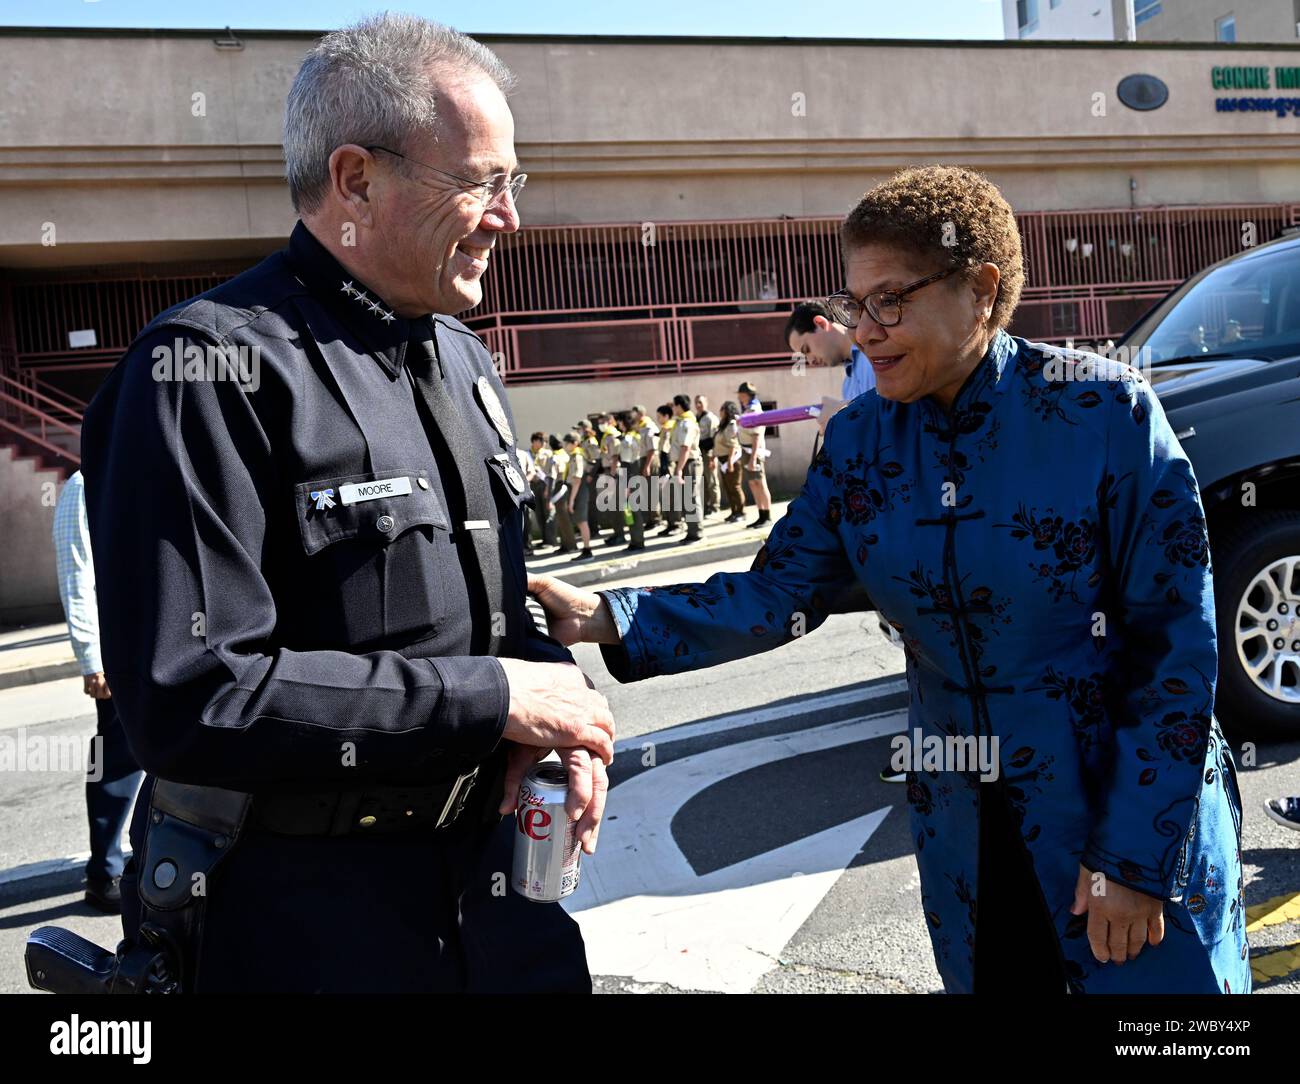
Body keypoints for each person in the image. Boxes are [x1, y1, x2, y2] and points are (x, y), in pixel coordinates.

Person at [528, 165, 1249, 996]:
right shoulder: (862, 444)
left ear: (980, 290)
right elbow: (776, 595)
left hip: (1115, 821)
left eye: (891, 300)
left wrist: (1132, 857)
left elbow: (1176, 649)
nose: (864, 329)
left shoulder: (1104, 414)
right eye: (854, 303)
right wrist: (606, 614)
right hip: (967, 838)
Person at [79, 14, 612, 993]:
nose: (509, 219)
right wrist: (494, 698)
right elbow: (193, 695)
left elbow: (490, 619)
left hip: (504, 903)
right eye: (479, 183)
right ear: (357, 179)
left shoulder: (461, 357)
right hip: (316, 924)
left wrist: (556, 709)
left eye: (512, 183)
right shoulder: (204, 370)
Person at [52, 469, 144, 914]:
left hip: (166, 643)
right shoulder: (85, 483)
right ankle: (103, 872)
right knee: (114, 761)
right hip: (118, 651)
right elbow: (76, 572)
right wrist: (91, 657)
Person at [736, 382, 772, 530]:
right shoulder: (746, 409)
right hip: (746, 450)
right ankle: (761, 514)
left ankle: (767, 515)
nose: (738, 396)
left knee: (760, 482)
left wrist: (753, 458)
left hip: (754, 451)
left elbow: (756, 436)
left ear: (746, 394)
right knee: (753, 483)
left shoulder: (754, 409)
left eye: (740, 393)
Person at [669, 393, 704, 545]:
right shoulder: (680, 422)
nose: (673, 408)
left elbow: (685, 448)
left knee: (691, 498)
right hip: (684, 462)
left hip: (689, 463)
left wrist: (678, 469)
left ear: (679, 406)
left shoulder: (687, 423)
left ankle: (696, 533)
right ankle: (691, 531)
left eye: (674, 405)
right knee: (687, 498)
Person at [628, 404, 659, 541]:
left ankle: (656, 518)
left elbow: (651, 449)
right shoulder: (640, 426)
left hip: (649, 459)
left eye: (634, 413)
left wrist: (647, 465)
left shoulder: (649, 427)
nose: (632, 416)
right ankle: (650, 519)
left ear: (640, 413)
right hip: (642, 459)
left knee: (652, 490)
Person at [562, 431, 594, 561]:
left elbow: (577, 479)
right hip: (577, 489)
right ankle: (586, 549)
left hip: (578, 490)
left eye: (567, 443)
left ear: (574, 443)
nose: (565, 446)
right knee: (581, 522)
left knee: (582, 521)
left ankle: (587, 551)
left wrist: (571, 500)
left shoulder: (577, 456)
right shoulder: (576, 454)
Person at [714, 400, 746, 523]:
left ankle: (741, 512)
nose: (720, 411)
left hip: (731, 459)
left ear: (728, 411)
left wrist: (730, 462)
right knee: (728, 488)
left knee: (735, 487)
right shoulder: (723, 425)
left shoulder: (732, 424)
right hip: (723, 460)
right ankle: (734, 511)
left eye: (722, 409)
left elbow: (733, 445)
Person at [596, 412, 626, 546]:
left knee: (615, 505)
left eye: (602, 422)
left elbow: (615, 457)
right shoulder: (606, 436)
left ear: (609, 422)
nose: (600, 425)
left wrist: (612, 475)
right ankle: (616, 533)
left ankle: (620, 534)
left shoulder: (612, 436)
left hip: (614, 472)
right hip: (608, 471)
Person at [528, 431, 556, 547]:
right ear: (534, 441)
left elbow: (551, 472)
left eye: (545, 441)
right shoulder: (527, 453)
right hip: (533, 486)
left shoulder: (548, 454)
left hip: (544, 485)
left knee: (548, 512)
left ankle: (551, 540)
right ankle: (544, 539)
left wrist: (548, 489)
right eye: (541, 441)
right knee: (539, 513)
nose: (544, 444)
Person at [694, 395, 720, 517]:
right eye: (696, 403)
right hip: (699, 452)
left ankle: (715, 507)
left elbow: (714, 438)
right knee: (703, 480)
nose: (698, 405)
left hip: (708, 452)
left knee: (712, 480)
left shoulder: (710, 418)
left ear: (706, 403)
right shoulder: (695, 418)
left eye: (700, 402)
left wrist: (712, 457)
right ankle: (707, 506)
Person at [655, 404, 678, 534]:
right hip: (663, 463)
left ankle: (676, 523)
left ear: (666, 416)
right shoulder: (665, 428)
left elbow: (668, 448)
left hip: (669, 463)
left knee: (671, 495)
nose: (658, 419)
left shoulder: (670, 428)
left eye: (659, 416)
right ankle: (670, 523)